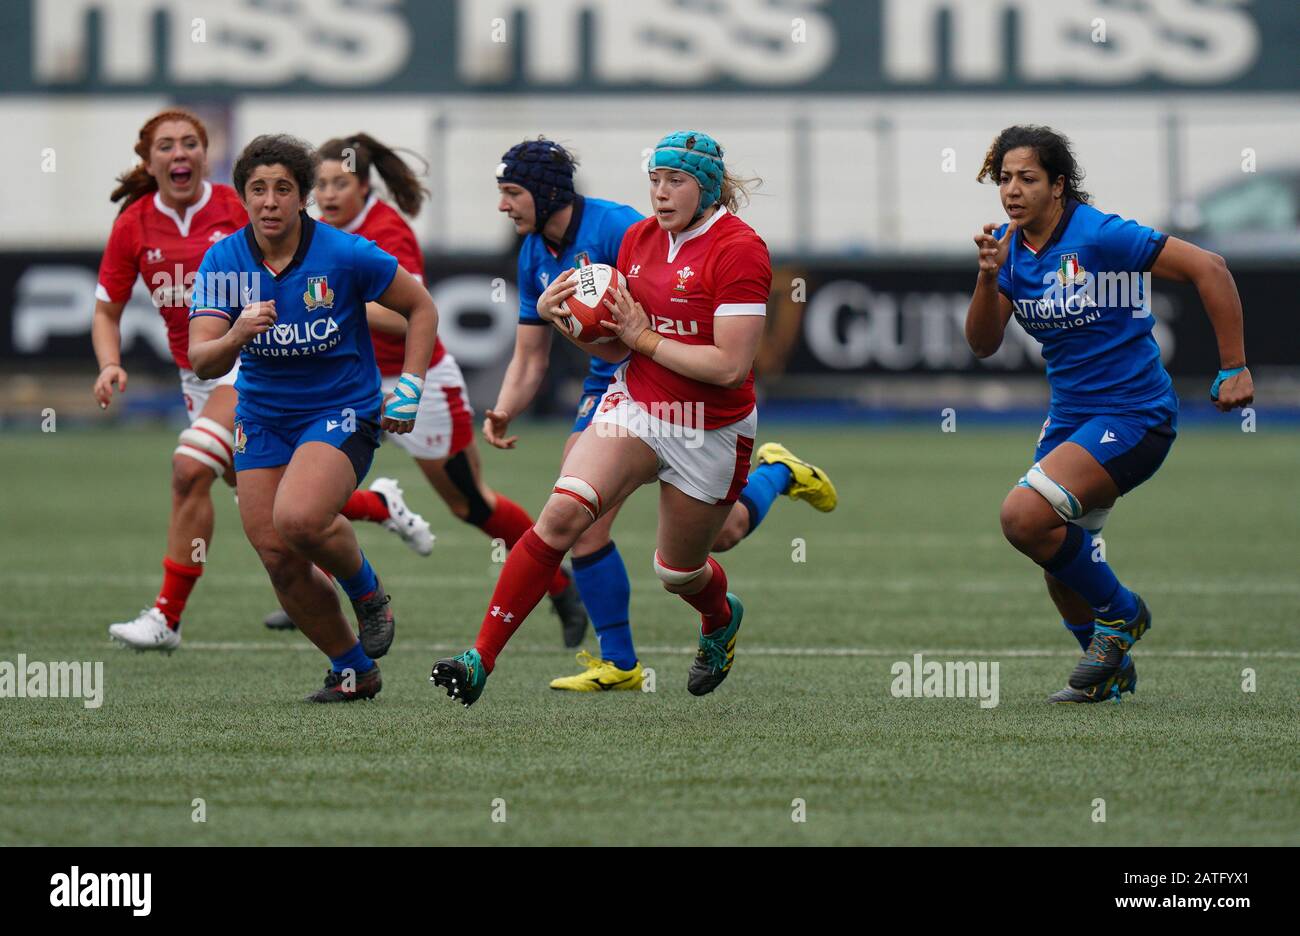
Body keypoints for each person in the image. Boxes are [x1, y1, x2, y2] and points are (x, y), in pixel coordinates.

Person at [434, 129, 794, 707]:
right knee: (561, 517)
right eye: (654, 180)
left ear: (704, 188)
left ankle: (721, 616)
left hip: (708, 427)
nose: (660, 193)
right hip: (635, 405)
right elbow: (619, 351)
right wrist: (569, 324)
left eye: (675, 181)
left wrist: (641, 338)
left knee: (680, 571)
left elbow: (729, 367)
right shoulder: (637, 241)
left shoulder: (740, 248)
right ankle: (481, 657)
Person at [262, 133, 588, 642]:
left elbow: (410, 315)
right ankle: (321, 578)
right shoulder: (309, 232)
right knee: (293, 489)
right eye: (320, 183)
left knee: (470, 506)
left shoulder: (385, 230)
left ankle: (560, 585)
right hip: (349, 387)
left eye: (339, 183)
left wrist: (328, 306)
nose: (326, 194)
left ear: (365, 186)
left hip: (418, 383)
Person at [966, 125, 1253, 703]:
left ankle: (1122, 615)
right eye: (1004, 179)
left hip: (1135, 414)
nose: (1013, 191)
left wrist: (1234, 367)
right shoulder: (1009, 249)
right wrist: (988, 276)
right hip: (1071, 418)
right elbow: (982, 344)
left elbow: (1211, 268)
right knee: (1057, 556)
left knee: (1023, 517)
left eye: (1028, 178)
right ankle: (1109, 672)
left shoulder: (1100, 235)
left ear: (1059, 185)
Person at [188, 134, 439, 702]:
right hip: (262, 416)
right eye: (258, 190)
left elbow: (421, 306)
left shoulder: (344, 253)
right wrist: (237, 333)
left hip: (341, 408)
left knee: (298, 519)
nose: (270, 201)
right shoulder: (224, 261)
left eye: (283, 189)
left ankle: (368, 592)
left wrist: (411, 390)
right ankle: (353, 670)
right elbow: (203, 360)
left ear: (302, 197)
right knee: (277, 556)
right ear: (243, 198)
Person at [94, 109, 249, 651]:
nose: (179, 153)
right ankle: (376, 508)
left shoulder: (240, 208)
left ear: (206, 154)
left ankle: (166, 618)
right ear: (149, 159)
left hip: (254, 365)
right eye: (166, 146)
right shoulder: (134, 224)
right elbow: (107, 311)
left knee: (188, 468)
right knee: (269, 506)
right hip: (199, 376)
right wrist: (110, 362)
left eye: (190, 143)